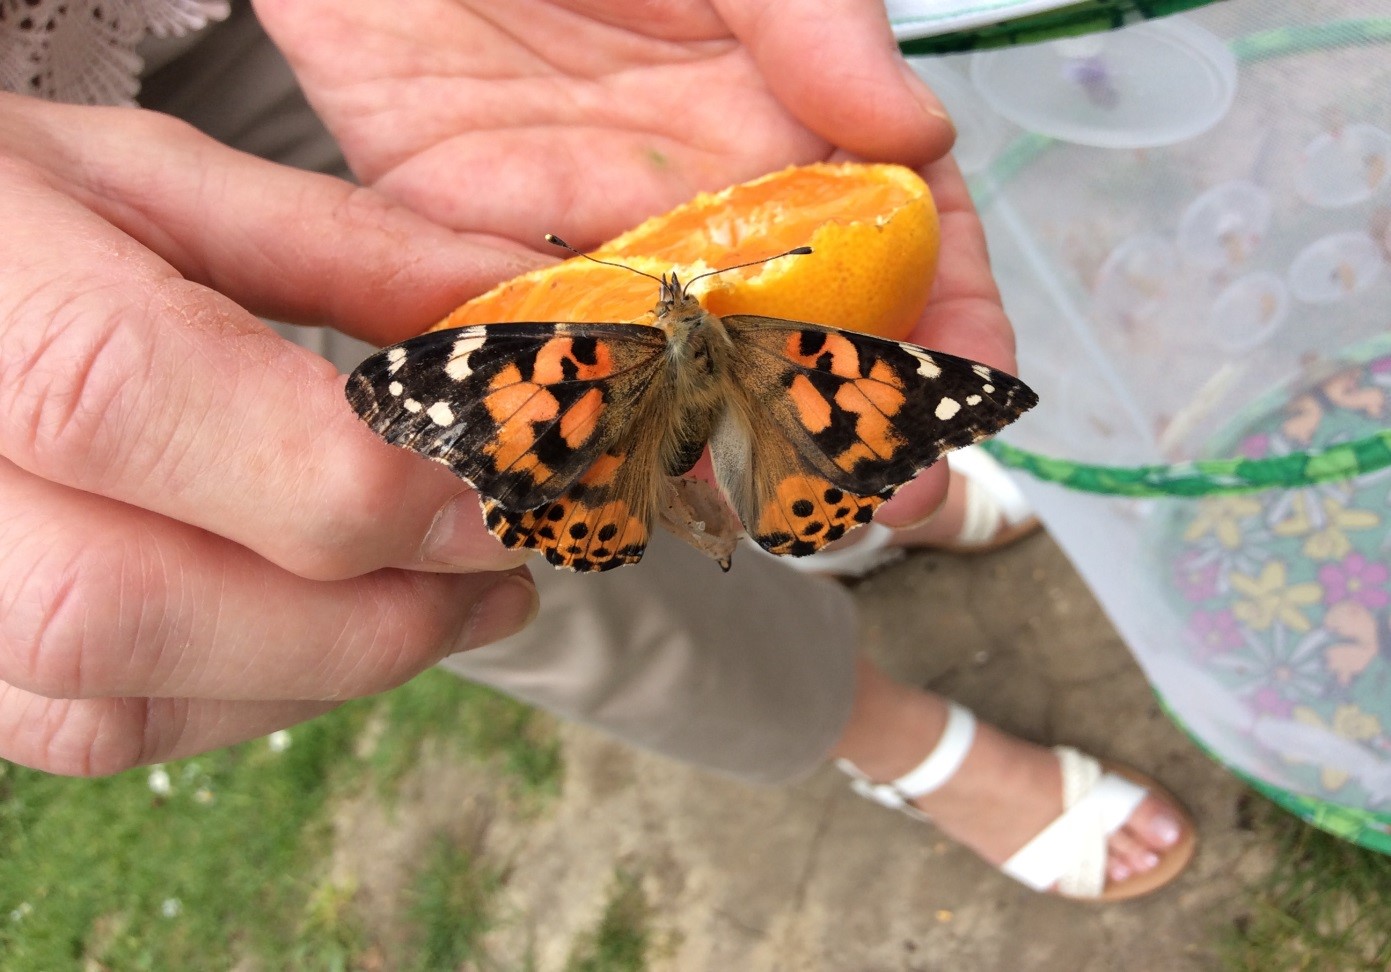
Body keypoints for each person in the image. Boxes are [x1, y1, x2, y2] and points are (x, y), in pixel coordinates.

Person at [0, 0, 1192, 899]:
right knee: (415, 510)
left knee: (508, 392)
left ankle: (797, 509)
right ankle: (886, 736)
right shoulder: (751, 322)